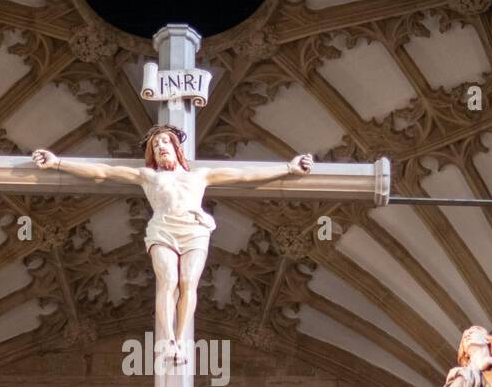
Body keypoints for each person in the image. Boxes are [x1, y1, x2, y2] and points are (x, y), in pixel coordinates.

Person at [32, 126, 312, 362]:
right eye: (156, 145)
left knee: (188, 282)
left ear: (177, 148)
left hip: (194, 230)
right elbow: (103, 171)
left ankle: (181, 340)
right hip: (163, 229)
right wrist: (57, 162)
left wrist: (289, 168)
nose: (161, 147)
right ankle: (166, 340)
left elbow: (244, 175)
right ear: (151, 153)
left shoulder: (199, 176)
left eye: (166, 142)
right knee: (168, 281)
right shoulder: (148, 176)